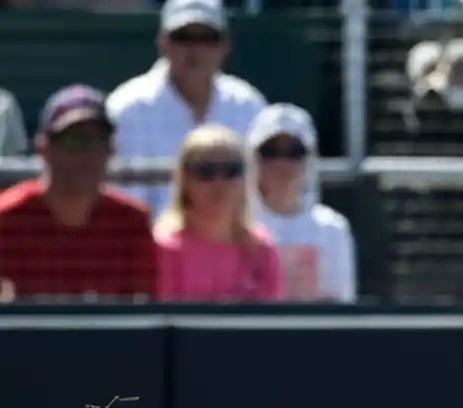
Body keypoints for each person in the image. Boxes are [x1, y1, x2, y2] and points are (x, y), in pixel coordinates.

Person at [107, 0, 267, 217]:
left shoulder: (248, 105)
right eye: (184, 38)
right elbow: (124, 201)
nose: (196, 50)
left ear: (225, 46)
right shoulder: (126, 108)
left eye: (207, 39)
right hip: (150, 246)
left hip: (234, 245)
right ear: (162, 43)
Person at [0, 85, 157, 302]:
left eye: (97, 142)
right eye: (73, 142)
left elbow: (143, 313)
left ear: (111, 151)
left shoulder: (131, 222)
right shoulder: (7, 219)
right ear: (43, 148)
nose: (86, 156)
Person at [153, 124, 283, 302]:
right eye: (206, 171)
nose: (220, 183)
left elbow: (269, 324)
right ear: (185, 180)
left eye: (232, 171)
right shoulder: (163, 249)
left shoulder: (262, 250)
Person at [246, 103, 357, 302]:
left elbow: (340, 303)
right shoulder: (236, 226)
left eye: (294, 152)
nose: (282, 163)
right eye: (271, 152)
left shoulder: (332, 228)